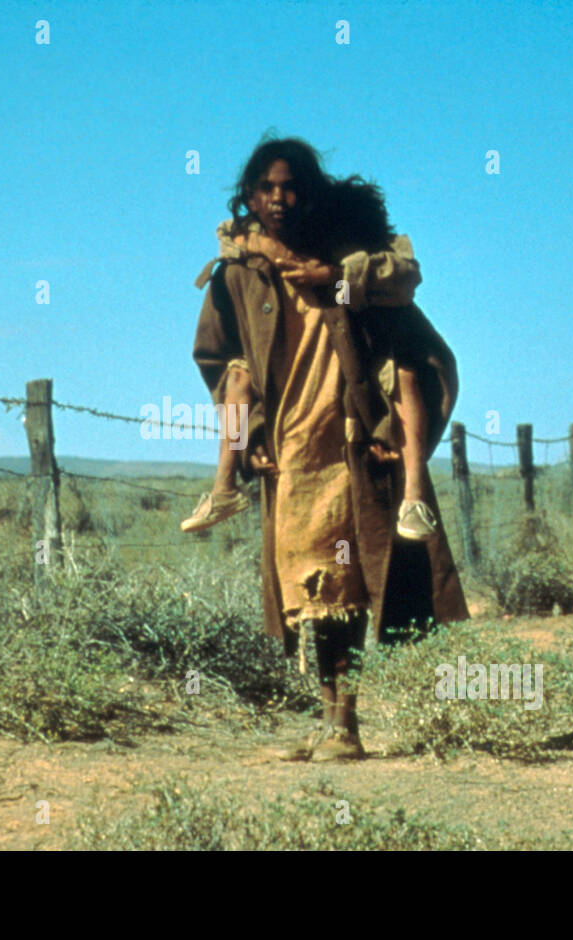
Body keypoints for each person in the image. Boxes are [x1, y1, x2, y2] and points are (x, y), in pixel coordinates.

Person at [192, 135, 469, 761]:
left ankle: (346, 723)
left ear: (310, 191)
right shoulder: (238, 272)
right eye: (267, 187)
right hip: (287, 451)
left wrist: (337, 278)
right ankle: (326, 717)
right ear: (251, 196)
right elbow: (224, 361)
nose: (280, 198)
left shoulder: (348, 254)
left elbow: (404, 280)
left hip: (345, 440)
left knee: (346, 585)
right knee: (305, 596)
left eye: (291, 186)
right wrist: (251, 437)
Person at [182, 198, 441, 542]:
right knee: (238, 379)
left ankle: (413, 495)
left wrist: (337, 275)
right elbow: (232, 237)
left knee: (404, 377)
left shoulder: (365, 254)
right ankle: (224, 487)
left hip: (363, 357)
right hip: (285, 382)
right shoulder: (253, 254)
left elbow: (401, 279)